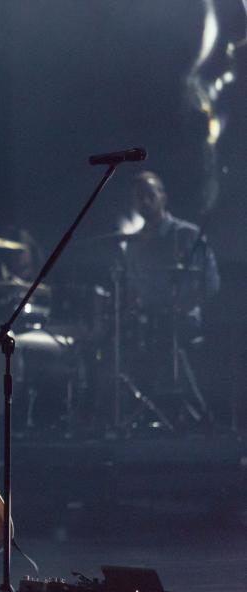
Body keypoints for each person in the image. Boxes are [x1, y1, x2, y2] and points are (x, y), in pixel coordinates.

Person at [118, 171, 220, 424]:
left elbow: (211, 282)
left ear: (163, 197)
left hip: (183, 320)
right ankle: (140, 415)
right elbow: (133, 288)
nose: (144, 201)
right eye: (138, 198)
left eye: (149, 195)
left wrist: (187, 304)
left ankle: (200, 415)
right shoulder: (133, 244)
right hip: (147, 322)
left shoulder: (188, 235)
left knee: (166, 337)